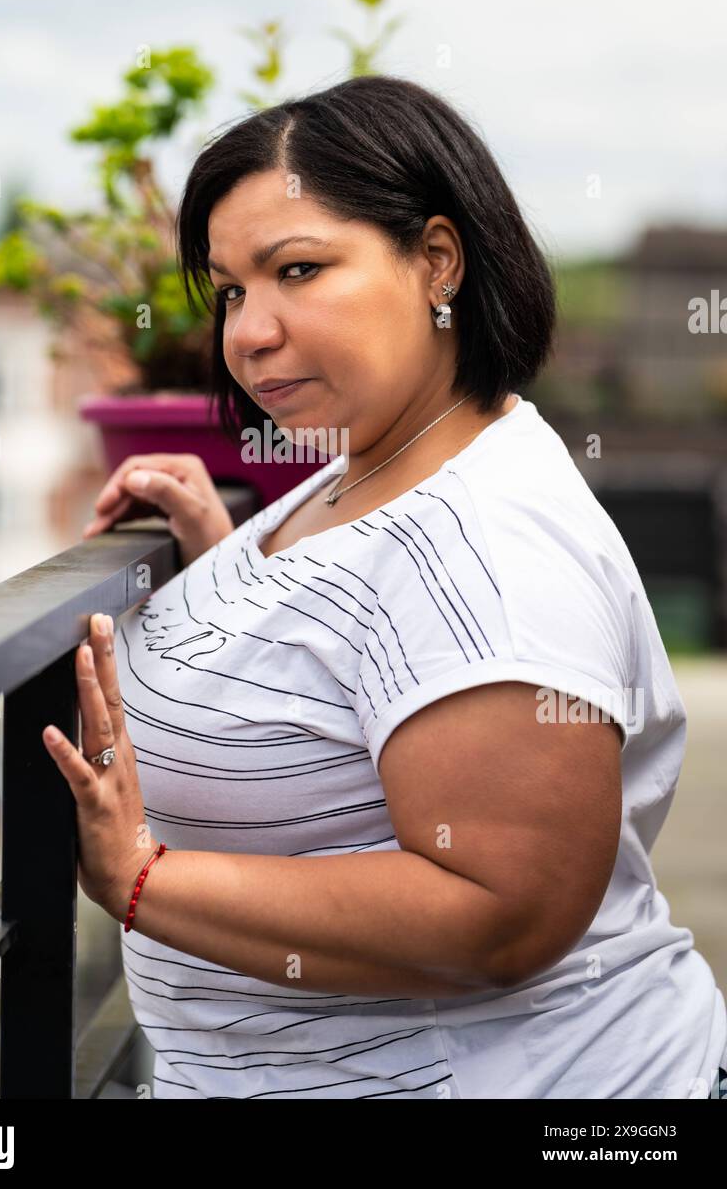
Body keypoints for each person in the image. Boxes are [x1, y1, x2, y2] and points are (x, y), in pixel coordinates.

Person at [55, 74, 726, 1099]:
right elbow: (362, 628)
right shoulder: (371, 461)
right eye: (233, 290)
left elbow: (502, 909)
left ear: (437, 262)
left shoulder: (491, 543)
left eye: (299, 269)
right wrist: (226, 554)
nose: (248, 332)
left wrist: (146, 880)